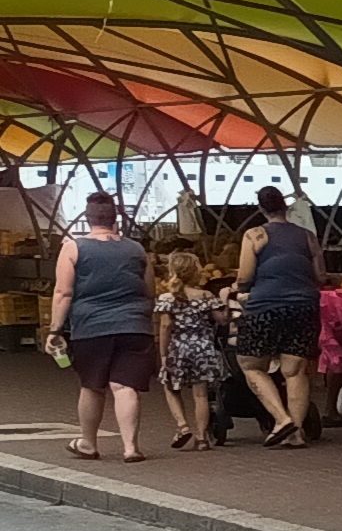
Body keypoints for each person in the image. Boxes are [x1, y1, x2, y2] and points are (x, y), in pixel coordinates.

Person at [49, 193, 157, 464]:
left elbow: (63, 292)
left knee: (92, 386)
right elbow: (149, 290)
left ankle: (88, 443)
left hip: (91, 327)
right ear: (115, 218)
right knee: (125, 386)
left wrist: (55, 330)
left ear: (87, 218)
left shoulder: (74, 248)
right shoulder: (137, 249)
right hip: (134, 326)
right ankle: (131, 447)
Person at [233, 187, 321, 446]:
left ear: (261, 208)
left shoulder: (255, 234)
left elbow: (245, 276)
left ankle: (282, 420)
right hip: (304, 307)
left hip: (265, 307)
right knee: (295, 371)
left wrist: (239, 291)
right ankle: (296, 434)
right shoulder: (307, 236)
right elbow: (320, 275)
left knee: (251, 365)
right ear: (285, 207)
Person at [152, 252, 236, 451]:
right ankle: (201, 438)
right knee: (201, 395)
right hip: (203, 348)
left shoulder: (167, 298)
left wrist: (163, 354)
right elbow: (222, 320)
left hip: (178, 347)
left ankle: (182, 426)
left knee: (171, 388)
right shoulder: (206, 296)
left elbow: (165, 327)